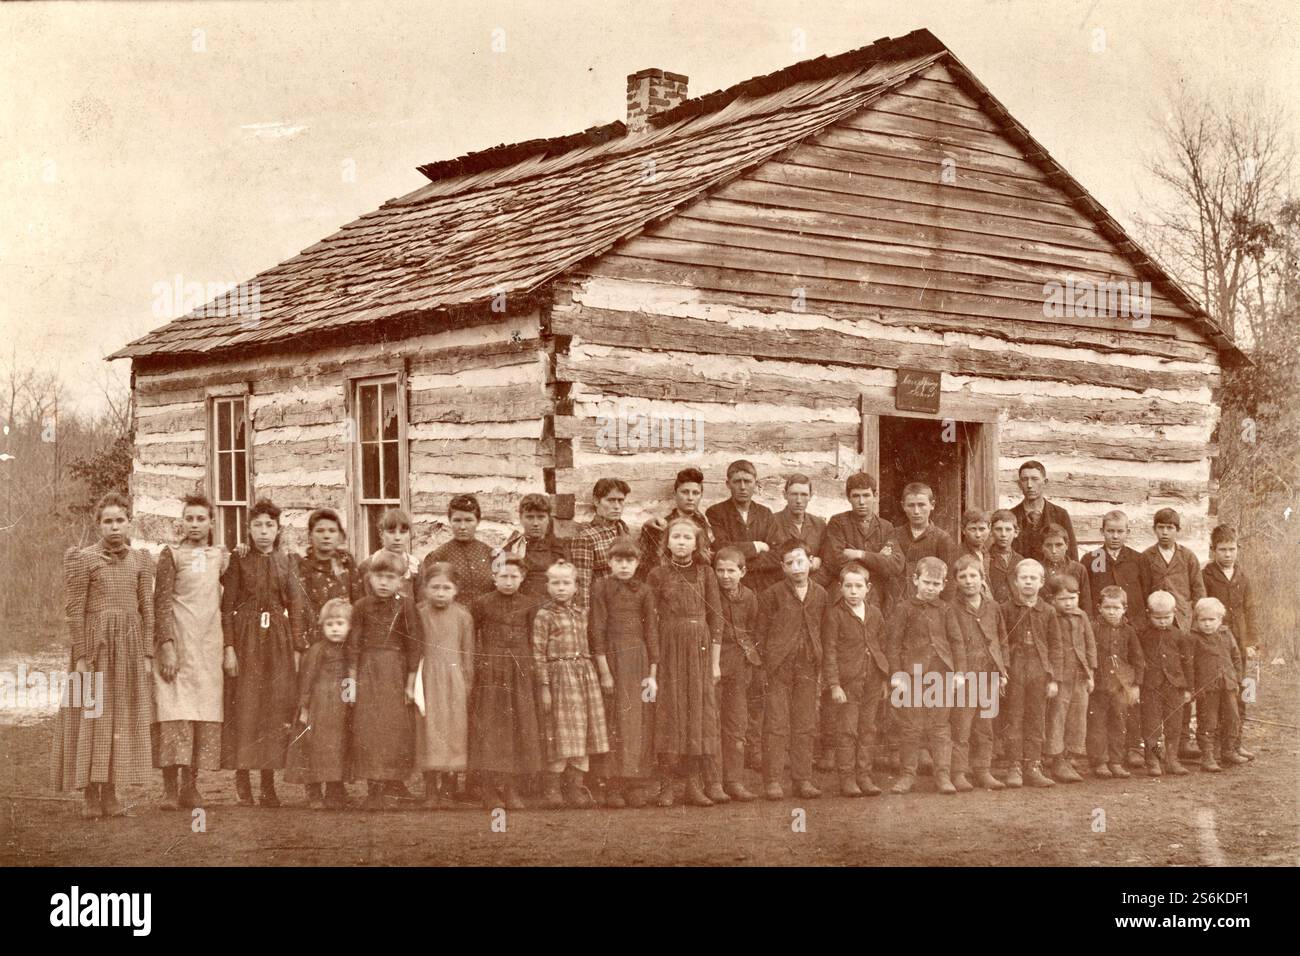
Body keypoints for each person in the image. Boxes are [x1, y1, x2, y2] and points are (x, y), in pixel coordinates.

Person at [52, 491, 155, 819]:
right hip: (95, 650)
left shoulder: (139, 560)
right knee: (91, 717)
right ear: (98, 525)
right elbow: (75, 610)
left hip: (127, 651)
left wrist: (148, 652)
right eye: (107, 521)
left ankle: (110, 789)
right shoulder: (82, 559)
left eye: (120, 520)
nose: (114, 527)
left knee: (118, 719)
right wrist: (81, 656)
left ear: (129, 522)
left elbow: (147, 608)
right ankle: (90, 792)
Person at [221, 498, 304, 808]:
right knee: (246, 706)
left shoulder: (287, 561)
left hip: (277, 642)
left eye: (270, 525)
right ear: (249, 529)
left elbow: (295, 605)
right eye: (257, 525)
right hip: (246, 640)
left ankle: (268, 785)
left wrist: (296, 647)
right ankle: (243, 782)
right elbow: (227, 607)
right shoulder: (238, 559)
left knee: (272, 709)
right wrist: (230, 648)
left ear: (278, 529)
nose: (264, 531)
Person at [153, 494, 227, 811]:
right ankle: (170, 788)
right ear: (181, 522)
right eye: (189, 518)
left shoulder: (220, 557)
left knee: (201, 713)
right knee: (174, 712)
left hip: (208, 645)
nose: (194, 525)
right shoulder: (171, 554)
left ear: (211, 523)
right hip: (178, 643)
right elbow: (161, 602)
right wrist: (166, 646)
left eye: (201, 519)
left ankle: (191, 786)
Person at [706, 460, 781, 772]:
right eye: (736, 481)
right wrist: (754, 545)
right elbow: (721, 552)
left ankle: (753, 749)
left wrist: (748, 557)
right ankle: (728, 757)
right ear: (727, 483)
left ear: (756, 483)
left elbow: (777, 555)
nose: (742, 486)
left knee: (756, 678)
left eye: (748, 481)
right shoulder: (716, 513)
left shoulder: (766, 515)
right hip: (726, 598)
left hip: (757, 598)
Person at [648, 516, 723, 807]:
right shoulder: (657, 574)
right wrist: (655, 659)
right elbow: (651, 622)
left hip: (701, 649)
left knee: (698, 713)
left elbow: (716, 618)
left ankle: (694, 784)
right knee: (671, 711)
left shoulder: (706, 573)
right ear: (667, 541)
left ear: (697, 543)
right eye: (676, 537)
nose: (681, 542)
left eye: (687, 537)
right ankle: (668, 785)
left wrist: (715, 663)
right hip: (669, 648)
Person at [347, 549, 422, 810]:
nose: (383, 583)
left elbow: (415, 646)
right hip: (368, 670)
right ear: (369, 577)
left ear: (401, 580)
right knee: (368, 728)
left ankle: (393, 786)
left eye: (390, 577)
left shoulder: (406, 605)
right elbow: (353, 645)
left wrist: (410, 683)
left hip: (395, 671)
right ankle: (373, 788)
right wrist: (352, 680)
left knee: (394, 728)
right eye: (378, 576)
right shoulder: (361, 606)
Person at [533, 560, 610, 808]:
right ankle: (553, 788)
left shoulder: (581, 613)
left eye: (566, 583)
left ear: (576, 587)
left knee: (582, 729)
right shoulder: (544, 615)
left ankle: (575, 786)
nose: (561, 588)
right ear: (547, 586)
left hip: (583, 675)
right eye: (555, 583)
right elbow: (537, 653)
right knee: (559, 731)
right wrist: (544, 686)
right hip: (558, 676)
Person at [588, 537, 659, 807]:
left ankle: (635, 783)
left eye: (629, 561)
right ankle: (613, 784)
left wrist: (652, 673)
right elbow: (597, 629)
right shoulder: (601, 587)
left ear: (638, 563)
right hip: (613, 658)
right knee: (615, 719)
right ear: (609, 562)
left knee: (639, 719)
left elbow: (651, 630)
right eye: (618, 561)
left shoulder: (644, 590)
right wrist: (605, 671)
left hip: (639, 659)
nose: (624, 566)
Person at [469, 556, 543, 810]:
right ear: (494, 577)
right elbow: (472, 637)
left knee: (517, 727)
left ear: (522, 578)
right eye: (503, 576)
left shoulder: (530, 605)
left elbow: (535, 639)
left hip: (519, 671)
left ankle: (512, 789)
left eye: (514, 576)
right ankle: (489, 790)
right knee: (491, 728)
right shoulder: (481, 603)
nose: (508, 581)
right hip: (491, 671)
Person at [886, 556, 964, 795]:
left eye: (936, 584)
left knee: (940, 726)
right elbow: (894, 644)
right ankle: (907, 774)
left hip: (941, 673)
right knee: (911, 726)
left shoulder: (946, 608)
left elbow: (956, 641)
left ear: (943, 585)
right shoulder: (904, 609)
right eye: (926, 582)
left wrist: (959, 672)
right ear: (915, 580)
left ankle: (942, 774)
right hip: (912, 676)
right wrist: (897, 673)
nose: (931, 588)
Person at [758, 539, 829, 800]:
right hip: (779, 667)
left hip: (808, 665)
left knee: (805, 724)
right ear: (782, 567)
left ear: (810, 562)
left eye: (801, 561)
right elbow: (761, 633)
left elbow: (824, 630)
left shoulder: (821, 594)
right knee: (776, 724)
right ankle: (773, 781)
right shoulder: (772, 594)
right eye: (790, 563)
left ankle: (803, 780)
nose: (796, 568)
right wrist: (767, 665)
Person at [1138, 507, 1204, 760]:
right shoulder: (1146, 557)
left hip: (1181, 625)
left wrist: (1192, 621)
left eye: (1170, 528)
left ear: (1178, 530)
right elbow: (1143, 589)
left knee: (1180, 685)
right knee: (1155, 697)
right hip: (1156, 625)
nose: (1165, 532)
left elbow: (1198, 591)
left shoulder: (1188, 557)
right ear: (1154, 529)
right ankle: (1156, 752)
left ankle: (1182, 741)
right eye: (1161, 527)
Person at [822, 562, 889, 797]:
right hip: (848, 681)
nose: (853, 591)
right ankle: (847, 778)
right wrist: (834, 684)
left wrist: (883, 680)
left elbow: (881, 646)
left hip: (872, 679)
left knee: (868, 728)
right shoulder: (835, 615)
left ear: (867, 588)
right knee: (847, 730)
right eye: (848, 586)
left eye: (858, 586)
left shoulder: (875, 613)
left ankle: (864, 776)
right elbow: (829, 651)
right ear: (840, 587)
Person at [413, 563, 475, 809]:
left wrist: (467, 682)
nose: (440, 593)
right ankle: (430, 787)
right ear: (425, 589)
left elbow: (467, 651)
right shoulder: (419, 613)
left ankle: (449, 787)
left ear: (456, 590)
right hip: (427, 677)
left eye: (446, 588)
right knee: (428, 729)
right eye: (435, 587)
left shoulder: (463, 616)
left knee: (454, 729)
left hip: (454, 678)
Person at [947, 553, 1009, 792]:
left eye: (973, 575)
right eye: (962, 576)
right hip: (965, 675)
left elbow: (1001, 638)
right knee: (961, 726)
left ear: (983, 578)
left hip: (989, 673)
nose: (968, 581)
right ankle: (959, 772)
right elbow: (951, 643)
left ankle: (983, 770)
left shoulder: (993, 607)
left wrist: (1003, 669)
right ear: (955, 580)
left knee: (985, 725)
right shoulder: (951, 608)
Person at [999, 558, 1062, 789]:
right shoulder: (1005, 609)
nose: (1028, 582)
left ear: (1041, 582)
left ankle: (1033, 766)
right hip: (1015, 668)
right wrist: (1003, 671)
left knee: (1036, 717)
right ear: (1015, 581)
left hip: (1039, 670)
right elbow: (1001, 642)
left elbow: (1055, 646)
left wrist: (1054, 678)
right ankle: (1013, 765)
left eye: (1033, 578)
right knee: (1014, 717)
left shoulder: (1048, 611)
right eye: (1023, 578)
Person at [1201, 525, 1257, 761]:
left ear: (1238, 549)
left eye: (1232, 549)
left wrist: (1252, 642)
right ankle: (1216, 747)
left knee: (1242, 691)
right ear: (1213, 550)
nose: (1227, 554)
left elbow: (1250, 610)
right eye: (1222, 550)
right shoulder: (1206, 576)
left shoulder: (1243, 577)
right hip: (1218, 643)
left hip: (1239, 644)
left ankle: (1235, 742)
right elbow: (1203, 608)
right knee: (1218, 695)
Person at [295, 598, 353, 810]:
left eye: (340, 624)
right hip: (320, 707)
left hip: (340, 708)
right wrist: (304, 707)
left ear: (350, 626)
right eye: (329, 625)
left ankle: (334, 789)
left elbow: (351, 678)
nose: (335, 629)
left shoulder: (349, 651)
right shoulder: (318, 650)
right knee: (316, 747)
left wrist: (351, 703)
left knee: (338, 747)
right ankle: (313, 790)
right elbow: (307, 679)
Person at [712, 546, 759, 802]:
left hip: (739, 666)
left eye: (731, 571)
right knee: (713, 724)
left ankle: (735, 781)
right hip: (715, 664)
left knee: (736, 724)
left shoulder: (750, 596)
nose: (725, 576)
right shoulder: (710, 593)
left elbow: (751, 628)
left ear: (743, 571)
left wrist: (749, 661)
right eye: (720, 570)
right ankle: (715, 782)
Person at [819, 472, 904, 611]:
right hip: (844, 595)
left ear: (875, 496)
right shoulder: (838, 523)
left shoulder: (886, 526)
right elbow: (834, 561)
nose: (862, 502)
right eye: (856, 496)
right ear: (848, 497)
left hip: (877, 595)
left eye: (866, 495)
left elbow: (896, 565)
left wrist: (860, 554)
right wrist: (878, 558)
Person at [1085, 586, 1143, 779]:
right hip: (1099, 687)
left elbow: (1137, 659)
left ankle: (1116, 761)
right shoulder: (1093, 628)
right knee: (1097, 724)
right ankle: (1100, 762)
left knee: (1118, 723)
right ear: (1099, 607)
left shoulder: (1129, 631)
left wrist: (1135, 685)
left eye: (1116, 608)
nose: (1111, 612)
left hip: (1120, 687)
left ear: (1124, 609)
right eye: (1107, 607)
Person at [1044, 574, 1096, 784]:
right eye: (1063, 599)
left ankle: (1069, 755)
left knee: (1077, 716)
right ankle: (1056, 759)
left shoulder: (1081, 615)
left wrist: (1091, 672)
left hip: (1080, 674)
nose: (1069, 603)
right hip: (1060, 675)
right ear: (1052, 600)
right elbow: (1047, 647)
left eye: (1073, 598)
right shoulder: (1050, 616)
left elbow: (1089, 644)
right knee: (1058, 715)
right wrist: (1052, 678)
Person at [1137, 590, 1193, 777]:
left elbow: (1187, 663)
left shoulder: (1180, 635)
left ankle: (1172, 760)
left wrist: (1187, 689)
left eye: (1167, 617)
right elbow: (1137, 660)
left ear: (1174, 612)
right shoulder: (1142, 634)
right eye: (1157, 618)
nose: (1162, 621)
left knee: (1174, 725)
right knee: (1152, 725)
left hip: (1174, 687)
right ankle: (1153, 760)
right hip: (1151, 687)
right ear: (1148, 614)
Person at [1189, 597, 1247, 773]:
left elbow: (1236, 656)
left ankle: (1228, 750)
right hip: (1207, 688)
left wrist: (1237, 678)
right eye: (1203, 620)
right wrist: (1193, 687)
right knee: (1208, 721)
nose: (1207, 624)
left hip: (1228, 685)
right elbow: (1189, 665)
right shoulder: (1193, 638)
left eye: (1211, 620)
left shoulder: (1226, 634)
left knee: (1232, 717)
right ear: (1196, 620)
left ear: (1220, 619)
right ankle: (1207, 756)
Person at [293, 508, 363, 647]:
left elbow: (358, 601)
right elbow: (299, 610)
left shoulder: (346, 562)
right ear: (310, 536)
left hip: (345, 640)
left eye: (332, 531)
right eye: (320, 531)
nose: (326, 536)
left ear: (340, 536)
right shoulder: (302, 566)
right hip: (315, 642)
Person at [420, 495, 495, 608]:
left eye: (469, 520)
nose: (462, 526)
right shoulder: (438, 555)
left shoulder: (490, 554)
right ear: (450, 521)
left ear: (478, 521)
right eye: (457, 520)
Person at [498, 493, 569, 609]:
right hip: (520, 610)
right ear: (521, 518)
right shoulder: (512, 549)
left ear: (548, 519)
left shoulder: (560, 548)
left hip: (552, 610)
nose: (535, 523)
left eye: (541, 517)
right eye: (530, 517)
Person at [639, 467, 714, 576]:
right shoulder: (661, 526)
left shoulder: (703, 522)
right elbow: (651, 567)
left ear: (701, 495)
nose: (690, 498)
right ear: (675, 494)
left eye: (695, 493)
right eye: (685, 492)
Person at [571, 478, 632, 610]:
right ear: (596, 501)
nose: (616, 506)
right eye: (610, 500)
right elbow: (582, 585)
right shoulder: (586, 537)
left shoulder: (624, 530)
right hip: (603, 607)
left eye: (620, 500)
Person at [890, 482, 957, 588]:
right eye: (911, 505)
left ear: (932, 505)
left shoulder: (943, 539)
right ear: (903, 506)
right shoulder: (894, 534)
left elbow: (950, 582)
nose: (916, 511)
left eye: (921, 505)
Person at [1010, 460, 1077, 563]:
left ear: (1045, 482)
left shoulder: (1060, 514)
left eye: (1035, 479)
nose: (1029, 485)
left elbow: (1072, 555)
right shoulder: (1011, 516)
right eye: (1024, 480)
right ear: (1019, 484)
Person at [1082, 510, 1143, 618]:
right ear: (1102, 531)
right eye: (1110, 531)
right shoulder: (1090, 559)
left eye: (1120, 531)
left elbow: (1145, 591)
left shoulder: (1139, 559)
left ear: (1127, 532)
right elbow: (1085, 595)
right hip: (1101, 622)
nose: (1115, 536)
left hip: (1132, 623)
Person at [359, 508, 419, 600]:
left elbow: (421, 604)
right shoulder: (368, 565)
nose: (397, 538)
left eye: (403, 532)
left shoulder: (415, 567)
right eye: (391, 532)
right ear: (381, 534)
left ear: (410, 534)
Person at [1042, 524, 1092, 616]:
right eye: (1048, 545)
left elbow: (1086, 604)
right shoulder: (1037, 569)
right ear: (1042, 547)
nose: (1053, 550)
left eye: (1059, 545)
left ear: (1067, 545)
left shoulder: (1078, 569)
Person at [985, 509, 1024, 605]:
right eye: (998, 529)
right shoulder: (986, 558)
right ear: (990, 531)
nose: (1003, 534)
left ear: (1016, 532)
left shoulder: (1021, 561)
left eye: (1008, 529)